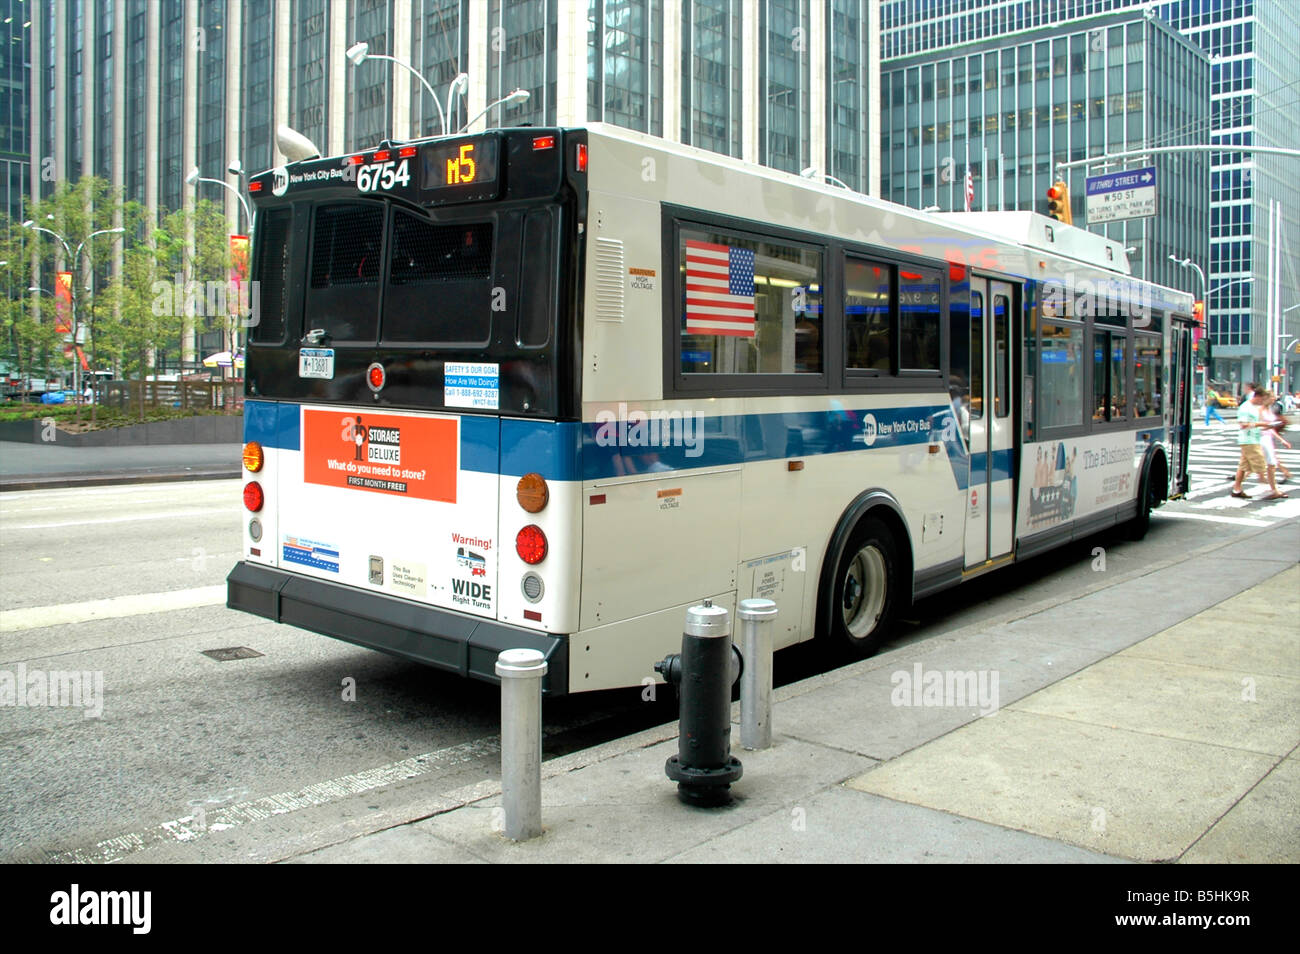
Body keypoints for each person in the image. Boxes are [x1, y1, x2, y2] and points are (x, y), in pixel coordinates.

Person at [1230, 390, 1283, 500]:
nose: (1263, 402)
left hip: (1254, 438)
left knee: (1244, 466)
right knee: (1260, 465)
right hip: (1249, 440)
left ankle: (1236, 489)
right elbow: (1243, 424)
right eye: (1262, 399)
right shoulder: (1246, 407)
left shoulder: (1253, 407)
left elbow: (1254, 424)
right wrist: (1261, 424)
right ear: (1258, 396)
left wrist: (1266, 427)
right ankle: (1268, 489)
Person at [1259, 392, 1293, 485]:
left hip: (1266, 437)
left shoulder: (1269, 409)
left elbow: (1270, 428)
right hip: (1260, 437)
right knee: (1266, 458)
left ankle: (1266, 481)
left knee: (1267, 459)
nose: (1274, 399)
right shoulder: (1260, 409)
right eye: (1272, 397)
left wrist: (1282, 440)